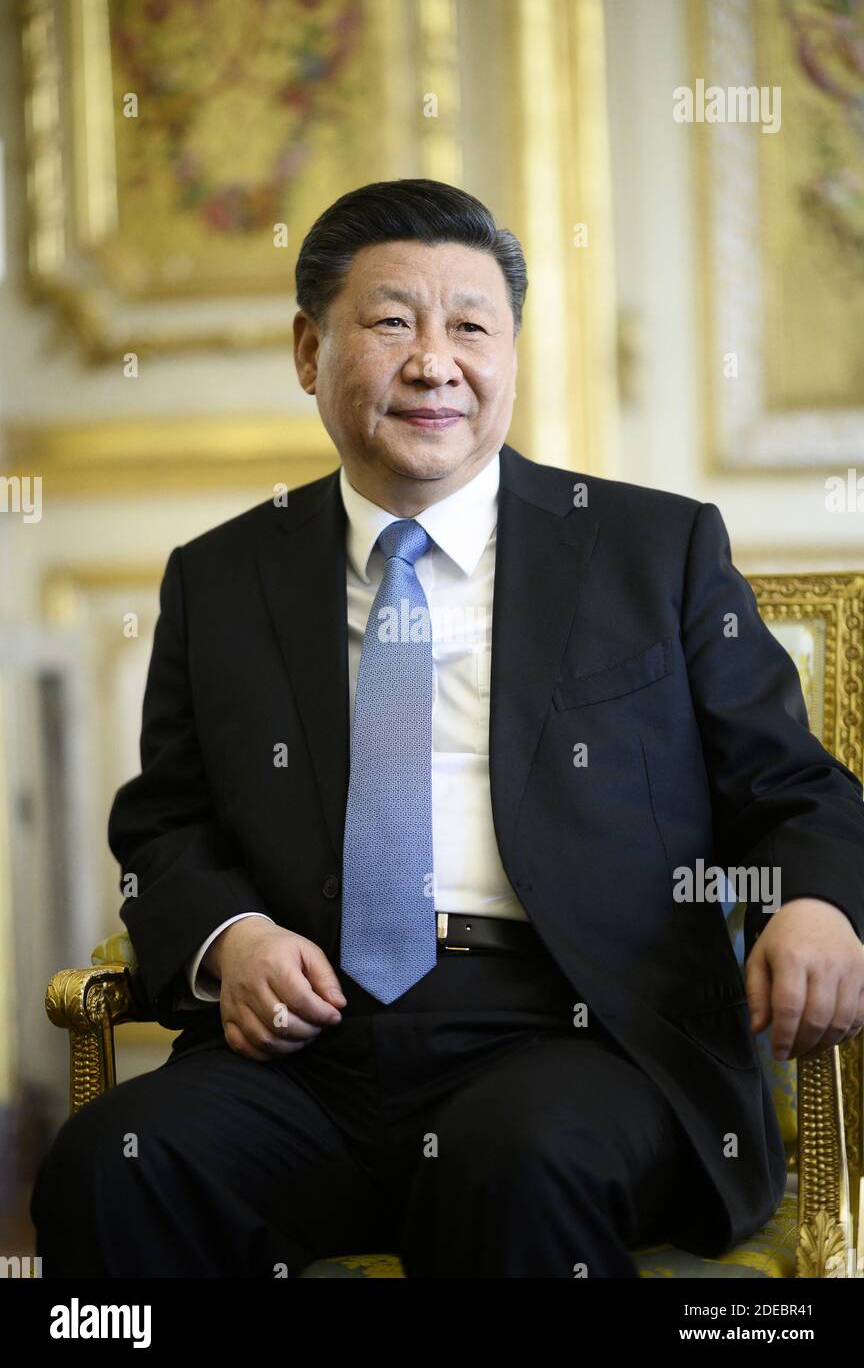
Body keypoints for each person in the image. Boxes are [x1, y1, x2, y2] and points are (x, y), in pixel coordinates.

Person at [31, 179, 864, 1278]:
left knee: (514, 1161)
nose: (436, 363)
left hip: (584, 1031)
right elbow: (167, 824)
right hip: (311, 1047)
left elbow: (794, 788)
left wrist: (814, 903)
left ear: (511, 355)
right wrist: (233, 938)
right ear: (309, 351)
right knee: (110, 1164)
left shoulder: (650, 551)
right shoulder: (221, 577)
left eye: (472, 326)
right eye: (391, 322)